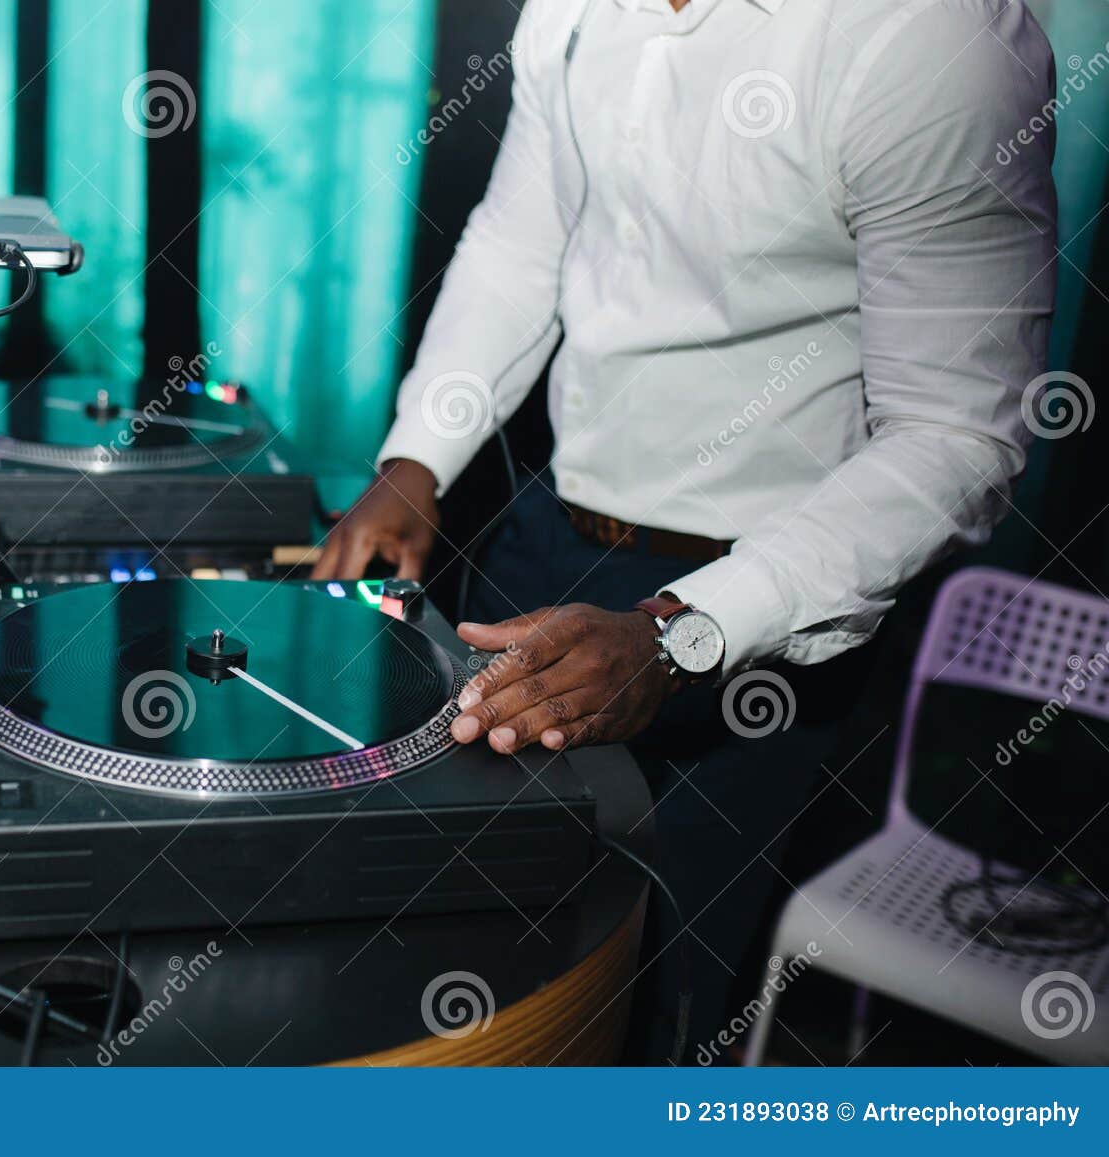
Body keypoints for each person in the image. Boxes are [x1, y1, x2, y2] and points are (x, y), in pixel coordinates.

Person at [312, 0, 1057, 1061]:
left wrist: (680, 632)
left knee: (654, 993)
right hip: (546, 536)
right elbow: (524, 240)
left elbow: (956, 434)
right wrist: (418, 457)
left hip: (756, 613)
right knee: (452, 940)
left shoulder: (929, 38)